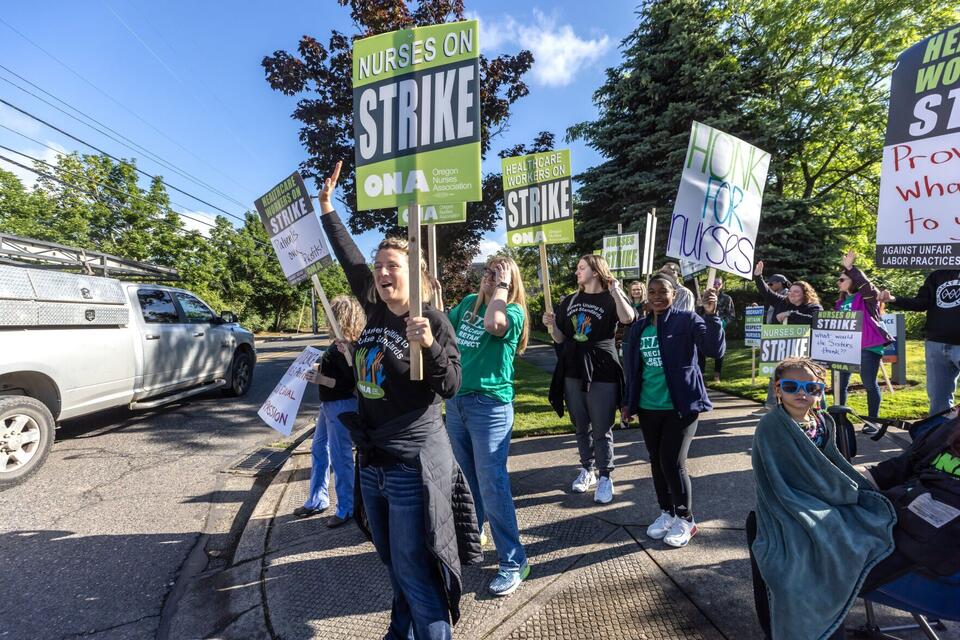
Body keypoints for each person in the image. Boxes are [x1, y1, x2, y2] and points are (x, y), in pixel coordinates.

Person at [318, 161, 480, 639]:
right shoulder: (373, 311)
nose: (383, 271)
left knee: (413, 568)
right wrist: (328, 209)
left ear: (415, 273)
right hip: (372, 460)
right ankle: (401, 627)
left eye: (394, 266)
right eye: (380, 265)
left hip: (412, 463)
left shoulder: (433, 320)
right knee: (392, 559)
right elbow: (349, 260)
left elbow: (450, 385)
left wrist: (428, 344)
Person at [749, 357, 896, 640]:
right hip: (788, 500)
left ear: (821, 392)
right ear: (778, 389)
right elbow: (779, 477)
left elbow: (832, 463)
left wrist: (849, 487)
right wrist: (827, 491)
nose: (801, 394)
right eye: (791, 387)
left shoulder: (822, 420)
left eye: (811, 388)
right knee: (798, 561)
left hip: (825, 495)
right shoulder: (770, 427)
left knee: (866, 520)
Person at [445, 256, 531, 597]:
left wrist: (502, 288)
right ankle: (474, 533)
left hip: (490, 408)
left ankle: (514, 560)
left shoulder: (512, 312)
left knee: (492, 484)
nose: (488, 277)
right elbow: (444, 330)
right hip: (457, 404)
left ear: (510, 280)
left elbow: (495, 325)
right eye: (487, 271)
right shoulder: (467, 303)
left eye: (498, 272)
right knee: (465, 480)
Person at [623, 272, 725, 548]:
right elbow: (632, 369)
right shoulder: (639, 327)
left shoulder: (687, 319)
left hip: (681, 405)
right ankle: (666, 512)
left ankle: (686, 519)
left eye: (662, 291)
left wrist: (712, 315)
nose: (657, 296)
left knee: (672, 461)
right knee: (655, 461)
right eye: (652, 291)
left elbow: (713, 349)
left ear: (673, 294)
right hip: (648, 406)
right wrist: (627, 404)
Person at [544, 254, 636, 504]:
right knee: (581, 424)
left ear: (595, 271)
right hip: (573, 367)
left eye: (581, 268)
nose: (577, 272)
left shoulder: (610, 298)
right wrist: (551, 325)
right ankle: (588, 469)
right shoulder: (571, 300)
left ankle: (606, 475)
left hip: (603, 367)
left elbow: (628, 318)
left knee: (602, 424)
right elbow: (561, 339)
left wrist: (616, 290)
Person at [294, 295, 365, 528]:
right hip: (329, 406)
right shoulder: (339, 344)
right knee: (319, 449)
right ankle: (317, 499)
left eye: (332, 313)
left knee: (340, 455)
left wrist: (320, 378)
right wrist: (319, 368)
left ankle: (345, 507)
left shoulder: (346, 347)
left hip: (341, 405)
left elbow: (347, 383)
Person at [880, 269, 960, 414]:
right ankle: (938, 434)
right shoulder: (938, 275)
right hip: (936, 344)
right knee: (938, 401)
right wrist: (894, 299)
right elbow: (921, 303)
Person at [834, 250, 892, 430]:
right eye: (839, 279)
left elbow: (866, 285)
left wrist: (850, 268)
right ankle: (839, 420)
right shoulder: (839, 303)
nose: (839, 282)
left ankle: (872, 421)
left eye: (842, 279)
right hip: (844, 348)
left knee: (868, 383)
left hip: (868, 347)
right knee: (839, 384)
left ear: (853, 281)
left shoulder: (867, 298)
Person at [753, 261, 822, 324]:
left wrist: (790, 314)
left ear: (805, 294)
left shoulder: (814, 307)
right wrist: (758, 277)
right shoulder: (781, 301)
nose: (791, 293)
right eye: (790, 291)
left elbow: (816, 322)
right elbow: (766, 291)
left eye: (796, 291)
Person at [696, 276, 734, 381]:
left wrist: (723, 323)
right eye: (714, 283)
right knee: (700, 350)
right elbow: (698, 313)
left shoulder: (727, 298)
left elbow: (731, 315)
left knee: (719, 352)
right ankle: (701, 374)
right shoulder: (704, 297)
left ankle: (717, 375)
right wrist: (700, 305)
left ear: (721, 285)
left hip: (719, 328)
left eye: (719, 284)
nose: (716, 285)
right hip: (705, 327)